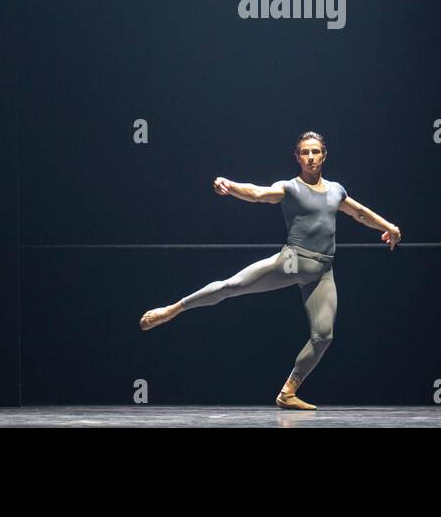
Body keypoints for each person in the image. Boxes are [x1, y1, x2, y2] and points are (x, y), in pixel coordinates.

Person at [138, 131, 401, 410]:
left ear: (325, 155)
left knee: (323, 336)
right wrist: (231, 185)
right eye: (305, 152)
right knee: (231, 286)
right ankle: (173, 309)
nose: (311, 157)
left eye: (315, 152)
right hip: (291, 262)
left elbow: (358, 211)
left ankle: (288, 392)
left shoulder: (336, 190)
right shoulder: (291, 188)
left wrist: (389, 227)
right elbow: (258, 193)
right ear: (297, 157)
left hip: (322, 271)